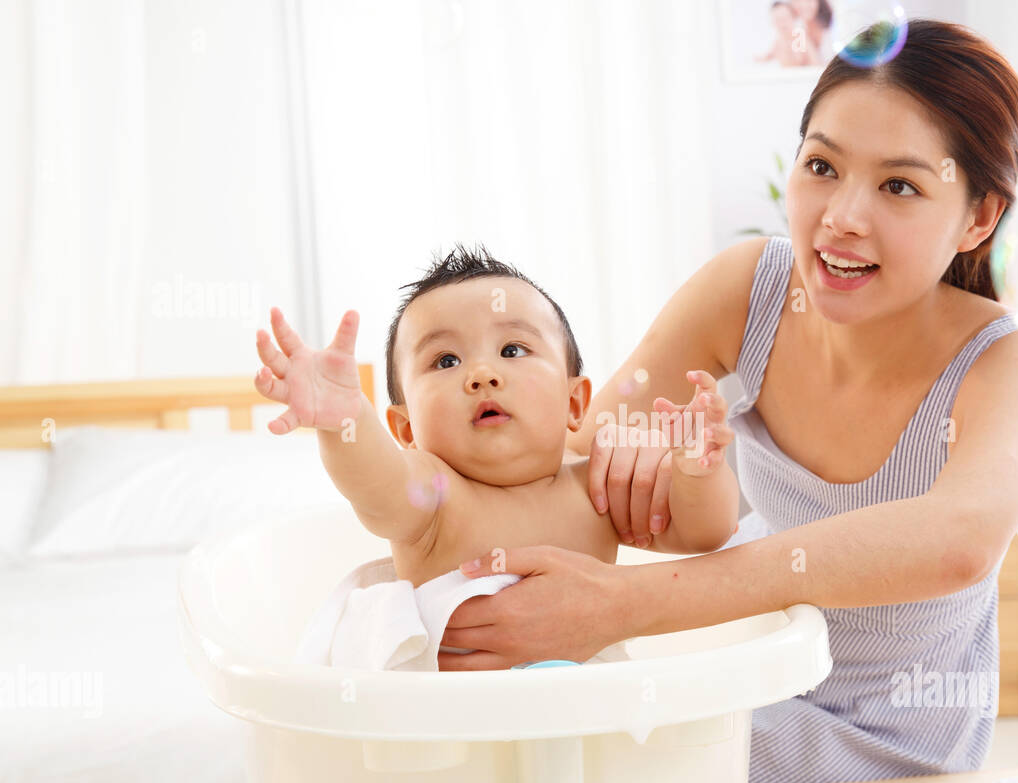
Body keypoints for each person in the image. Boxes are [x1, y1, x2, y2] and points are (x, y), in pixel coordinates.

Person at [444, 20, 1018, 783]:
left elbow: (958, 543)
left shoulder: (1015, 363)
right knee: (522, 750)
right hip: (756, 664)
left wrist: (624, 603)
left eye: (899, 185)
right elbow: (575, 449)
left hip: (891, 741)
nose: (841, 216)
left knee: (580, 770)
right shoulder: (751, 290)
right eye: (821, 165)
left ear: (979, 217)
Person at [252, 243, 738, 595]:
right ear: (405, 431)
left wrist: (698, 470)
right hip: (466, 727)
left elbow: (705, 531)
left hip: (588, 716)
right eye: (445, 361)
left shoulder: (598, 489)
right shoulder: (434, 496)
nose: (482, 374)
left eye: (512, 349)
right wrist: (345, 422)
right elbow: (375, 484)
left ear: (574, 403)